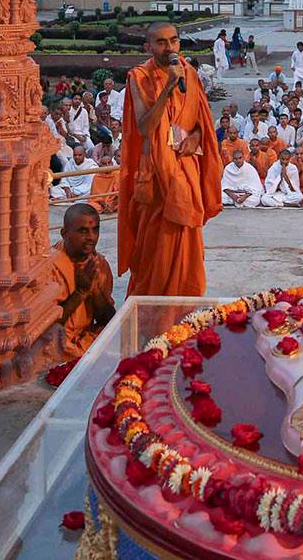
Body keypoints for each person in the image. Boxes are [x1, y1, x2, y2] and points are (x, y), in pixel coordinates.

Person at [119, 22, 222, 297]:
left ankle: (184, 313)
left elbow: (202, 124)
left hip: (185, 169)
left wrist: (196, 138)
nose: (170, 48)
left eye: (174, 41)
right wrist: (166, 88)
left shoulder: (189, 73)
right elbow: (144, 127)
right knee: (154, 255)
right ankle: (149, 317)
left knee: (188, 248)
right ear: (148, 47)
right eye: (162, 43)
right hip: (154, 176)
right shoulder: (138, 77)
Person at [50, 204, 115, 361]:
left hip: (86, 339)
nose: (91, 237)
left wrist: (94, 290)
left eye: (95, 230)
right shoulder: (50, 267)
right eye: (83, 231)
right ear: (64, 233)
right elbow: (47, 326)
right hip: (56, 342)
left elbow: (107, 320)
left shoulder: (99, 264)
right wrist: (80, 293)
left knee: (120, 334)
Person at [87, 148, 120, 214]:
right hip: (101, 203)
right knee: (91, 206)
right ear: (100, 165)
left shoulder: (117, 173)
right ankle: (106, 209)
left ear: (112, 163)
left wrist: (112, 205)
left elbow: (120, 193)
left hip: (114, 202)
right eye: (104, 164)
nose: (107, 166)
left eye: (109, 163)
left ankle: (110, 208)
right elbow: (96, 196)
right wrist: (105, 205)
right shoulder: (97, 176)